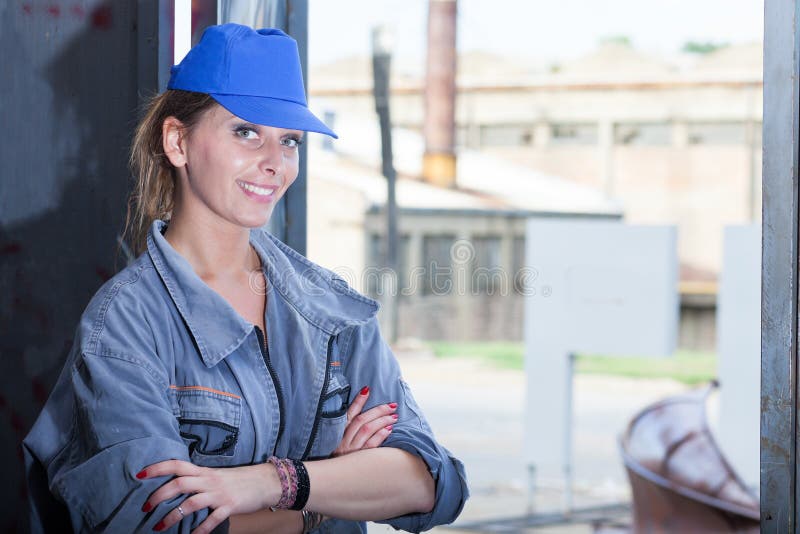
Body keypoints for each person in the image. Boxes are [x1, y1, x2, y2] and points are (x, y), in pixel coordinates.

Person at [23, 24, 468, 533]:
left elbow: (432, 484)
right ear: (177, 141)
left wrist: (272, 484)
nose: (274, 163)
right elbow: (161, 524)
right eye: (246, 131)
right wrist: (329, 493)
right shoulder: (126, 324)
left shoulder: (328, 311)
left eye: (290, 141)